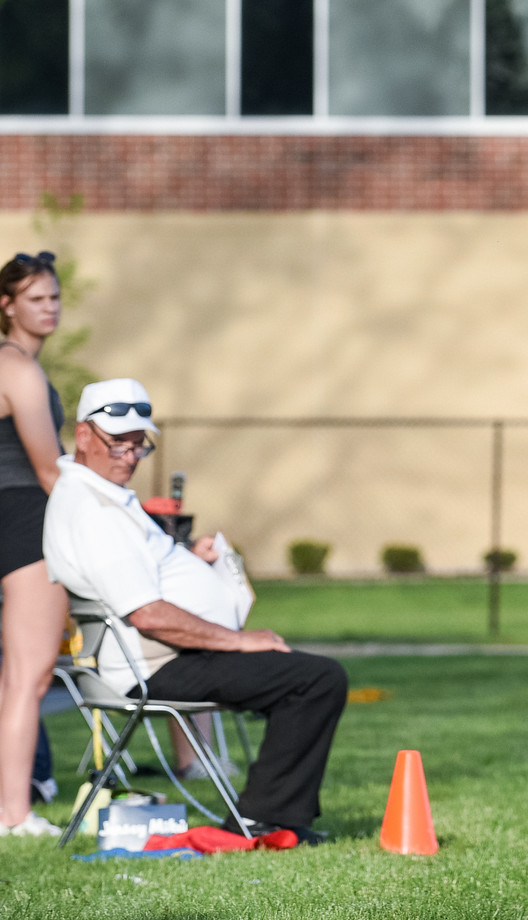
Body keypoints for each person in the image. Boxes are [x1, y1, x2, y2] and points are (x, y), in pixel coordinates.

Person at [43, 379, 346, 844]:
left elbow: (139, 577)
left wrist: (186, 558)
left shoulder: (99, 493)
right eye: (118, 442)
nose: (130, 455)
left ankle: (269, 815)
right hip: (153, 666)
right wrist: (241, 640)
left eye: (139, 444)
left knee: (305, 676)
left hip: (163, 657)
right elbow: (148, 615)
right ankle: (263, 821)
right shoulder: (93, 509)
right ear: (83, 435)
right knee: (314, 680)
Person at [0, 251, 69, 837]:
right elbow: (50, 471)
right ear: (7, 305)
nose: (50, 309)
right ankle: (15, 815)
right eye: (36, 299)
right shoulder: (17, 367)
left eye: (54, 297)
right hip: (24, 518)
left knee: (14, 676)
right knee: (28, 676)